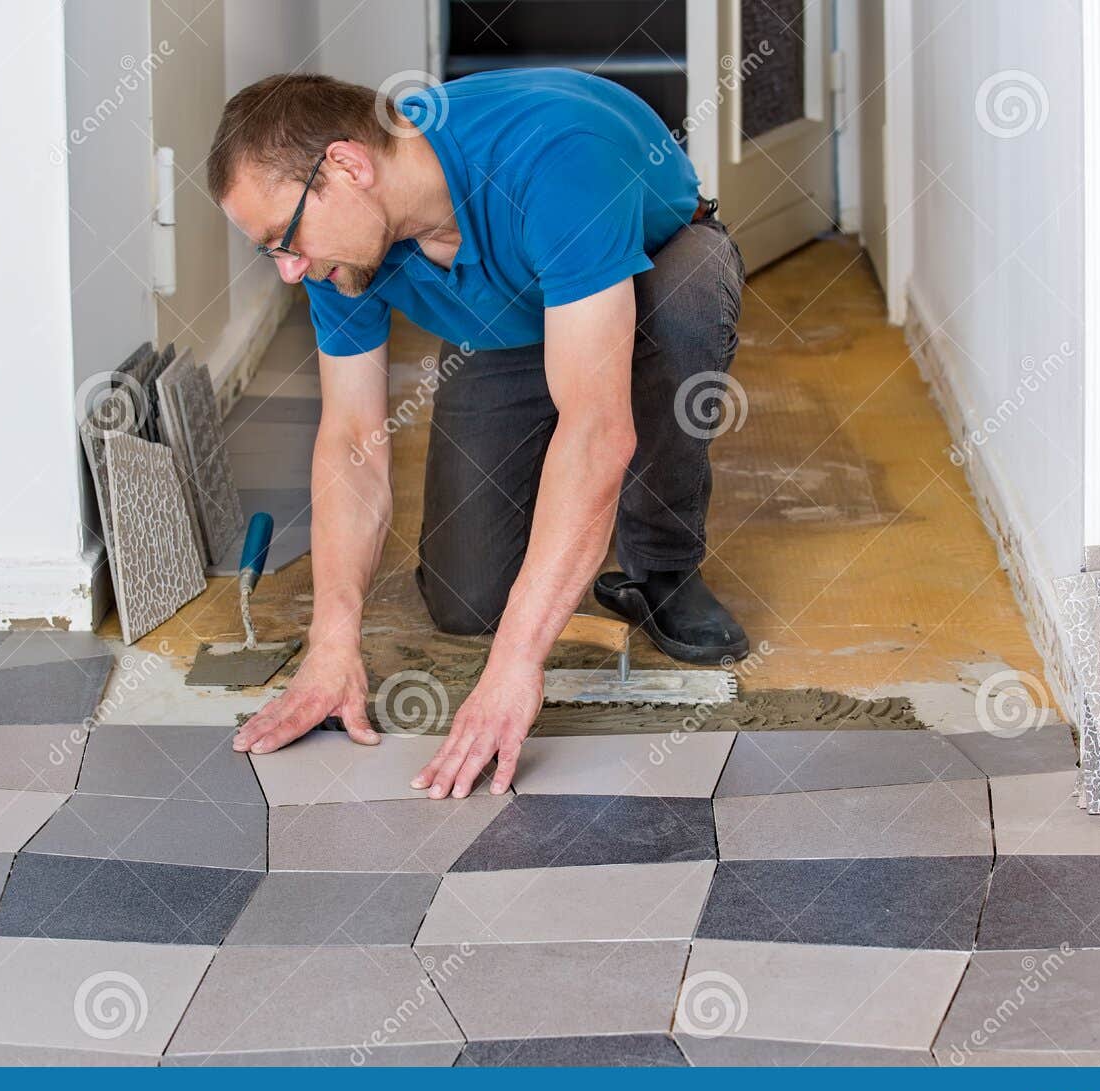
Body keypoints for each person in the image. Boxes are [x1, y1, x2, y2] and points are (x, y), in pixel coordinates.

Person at [211, 68, 747, 797]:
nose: (288, 269)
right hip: (506, 325)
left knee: (672, 319)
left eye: (285, 237)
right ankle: (562, 504)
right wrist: (331, 642)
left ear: (347, 164)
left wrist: (516, 665)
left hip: (648, 270)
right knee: (469, 603)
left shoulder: (555, 160)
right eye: (270, 251)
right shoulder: (338, 253)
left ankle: (660, 564)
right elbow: (351, 437)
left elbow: (596, 433)